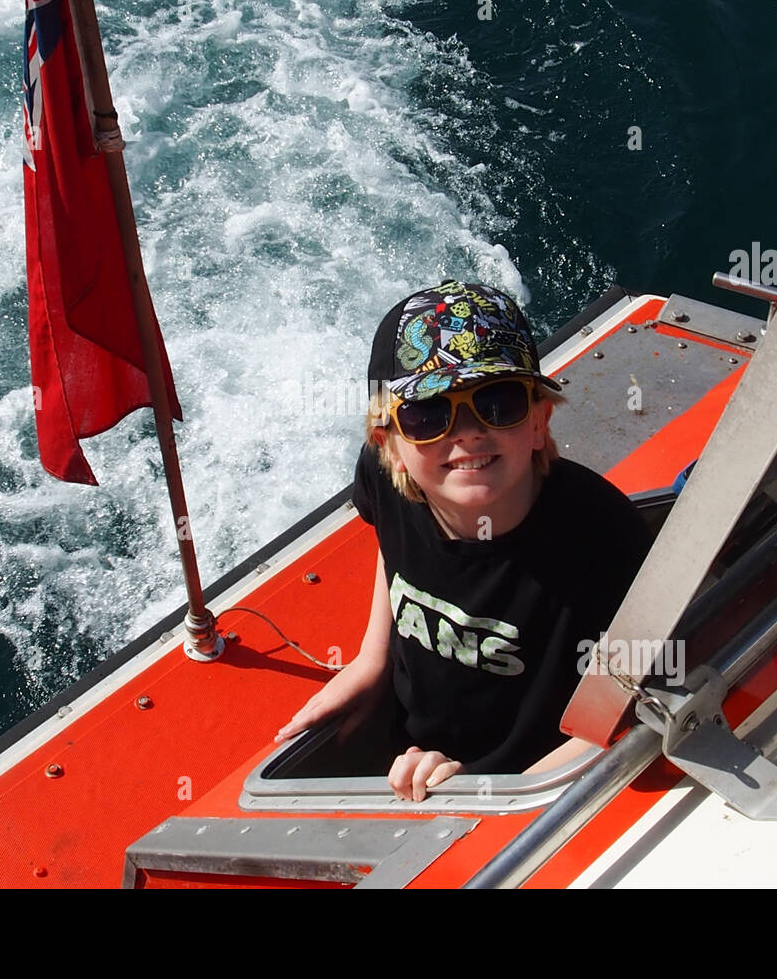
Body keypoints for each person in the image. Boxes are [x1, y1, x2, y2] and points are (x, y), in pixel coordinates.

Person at [275, 280, 653, 800]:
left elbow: (626, 708)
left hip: (536, 782)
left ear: (539, 421)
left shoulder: (603, 538)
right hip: (416, 755)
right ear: (388, 444)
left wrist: (494, 793)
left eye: (497, 403)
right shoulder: (387, 482)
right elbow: (392, 545)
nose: (468, 432)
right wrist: (372, 658)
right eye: (428, 414)